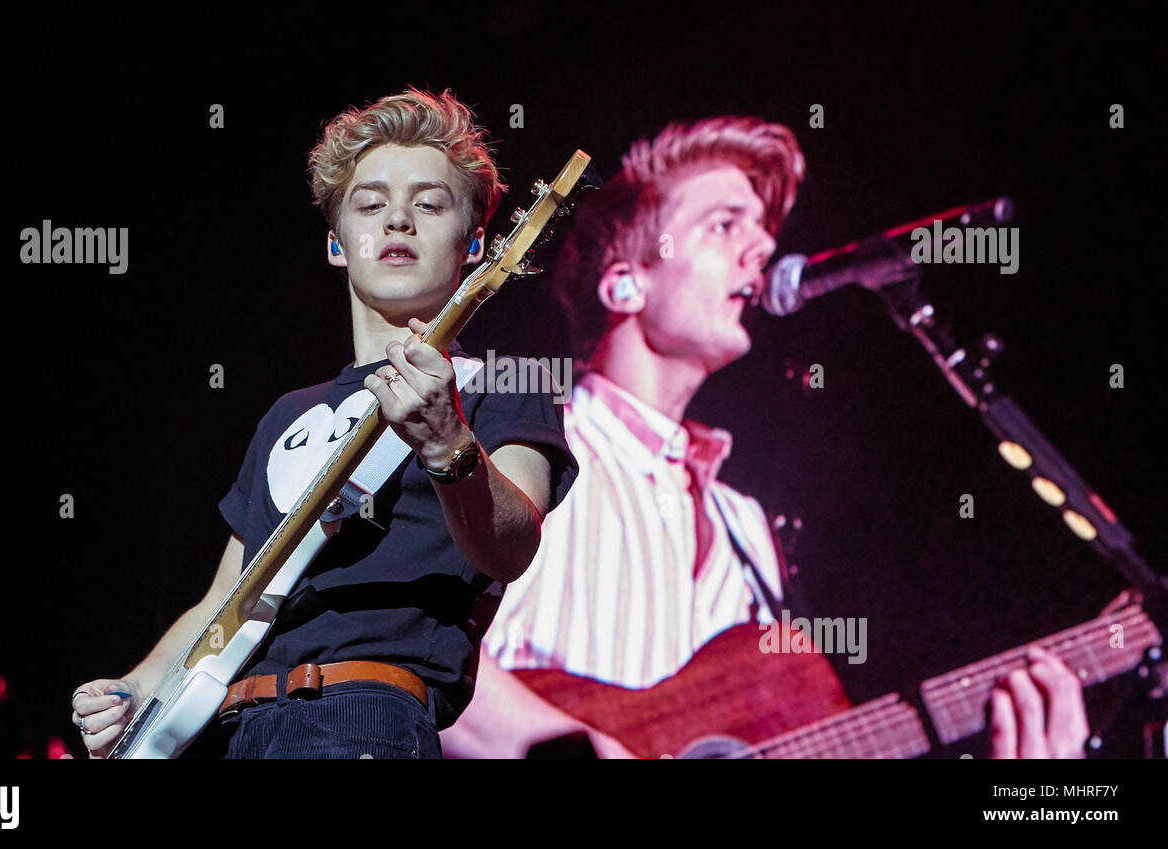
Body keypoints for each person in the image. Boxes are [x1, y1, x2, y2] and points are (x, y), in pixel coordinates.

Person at [441, 116, 1091, 759]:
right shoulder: (518, 439)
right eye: (724, 225)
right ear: (625, 282)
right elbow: (399, 648)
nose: (761, 250)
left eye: (762, 230)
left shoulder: (745, 525)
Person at [70, 88, 578, 759]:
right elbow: (226, 601)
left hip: (364, 714)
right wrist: (131, 692)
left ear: (476, 242)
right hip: (239, 730)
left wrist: (447, 443)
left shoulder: (496, 388)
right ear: (338, 243)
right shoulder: (286, 414)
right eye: (370, 204)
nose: (398, 218)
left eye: (429, 202)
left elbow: (512, 546)